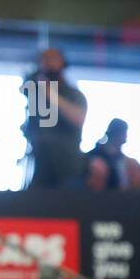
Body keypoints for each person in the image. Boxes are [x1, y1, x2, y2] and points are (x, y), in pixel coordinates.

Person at [22, 48, 88, 190]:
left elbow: (78, 118)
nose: (48, 63)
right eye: (44, 59)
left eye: (52, 59)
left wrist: (50, 93)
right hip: (39, 164)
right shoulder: (35, 91)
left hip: (68, 166)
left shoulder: (73, 94)